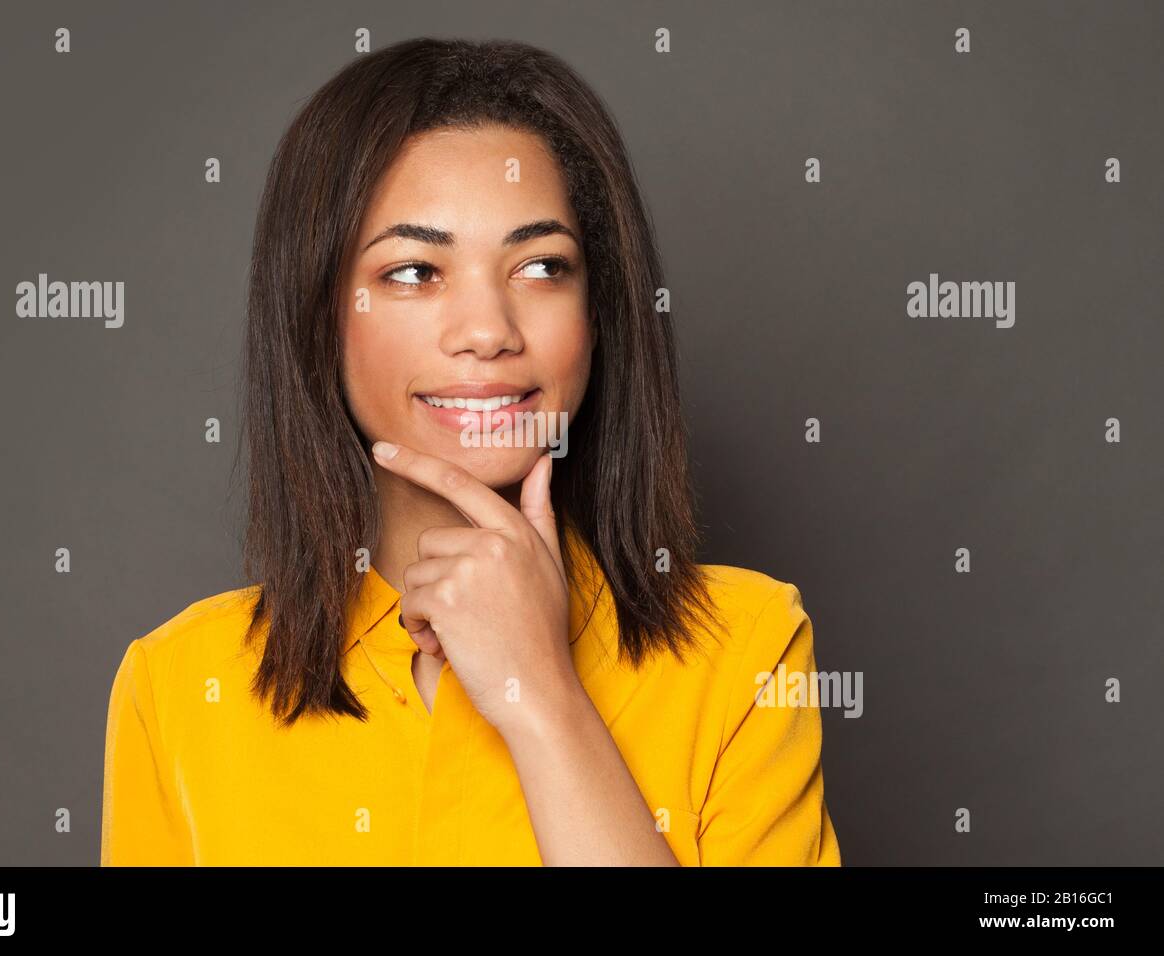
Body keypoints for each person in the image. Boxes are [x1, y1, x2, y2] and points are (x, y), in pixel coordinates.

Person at [100, 36, 841, 866]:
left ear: (599, 318)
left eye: (541, 266)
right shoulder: (177, 687)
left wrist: (544, 697)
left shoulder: (744, 651)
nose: (489, 331)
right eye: (415, 272)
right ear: (320, 319)